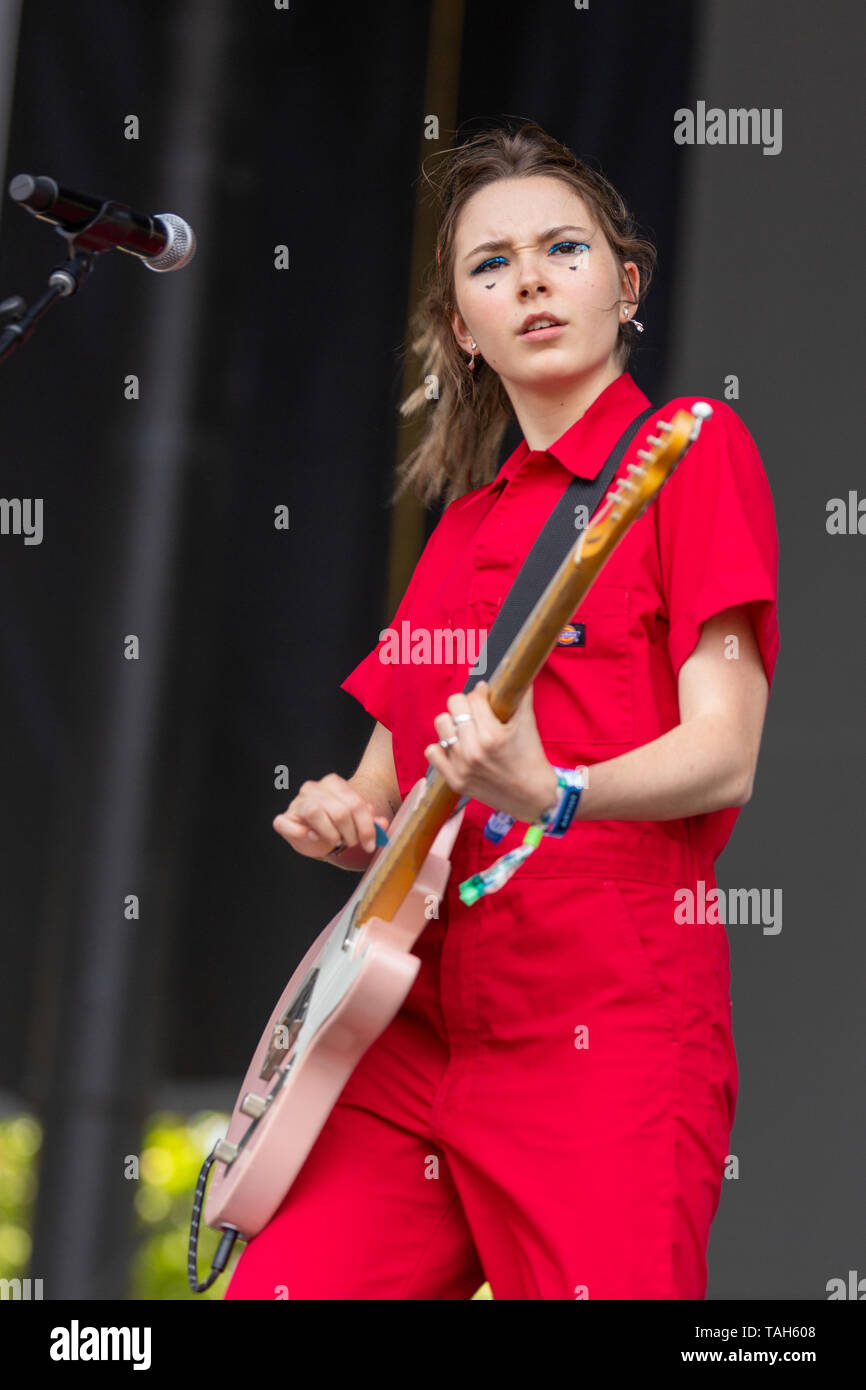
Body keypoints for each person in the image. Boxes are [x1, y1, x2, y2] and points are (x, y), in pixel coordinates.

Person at [224, 120, 779, 1301]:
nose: (528, 279)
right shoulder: (462, 530)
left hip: (604, 1020)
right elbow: (386, 787)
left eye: (561, 249)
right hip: (412, 1023)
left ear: (624, 286)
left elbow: (724, 752)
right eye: (489, 264)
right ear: (460, 331)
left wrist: (556, 790)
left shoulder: (687, 448)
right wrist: (341, 814)